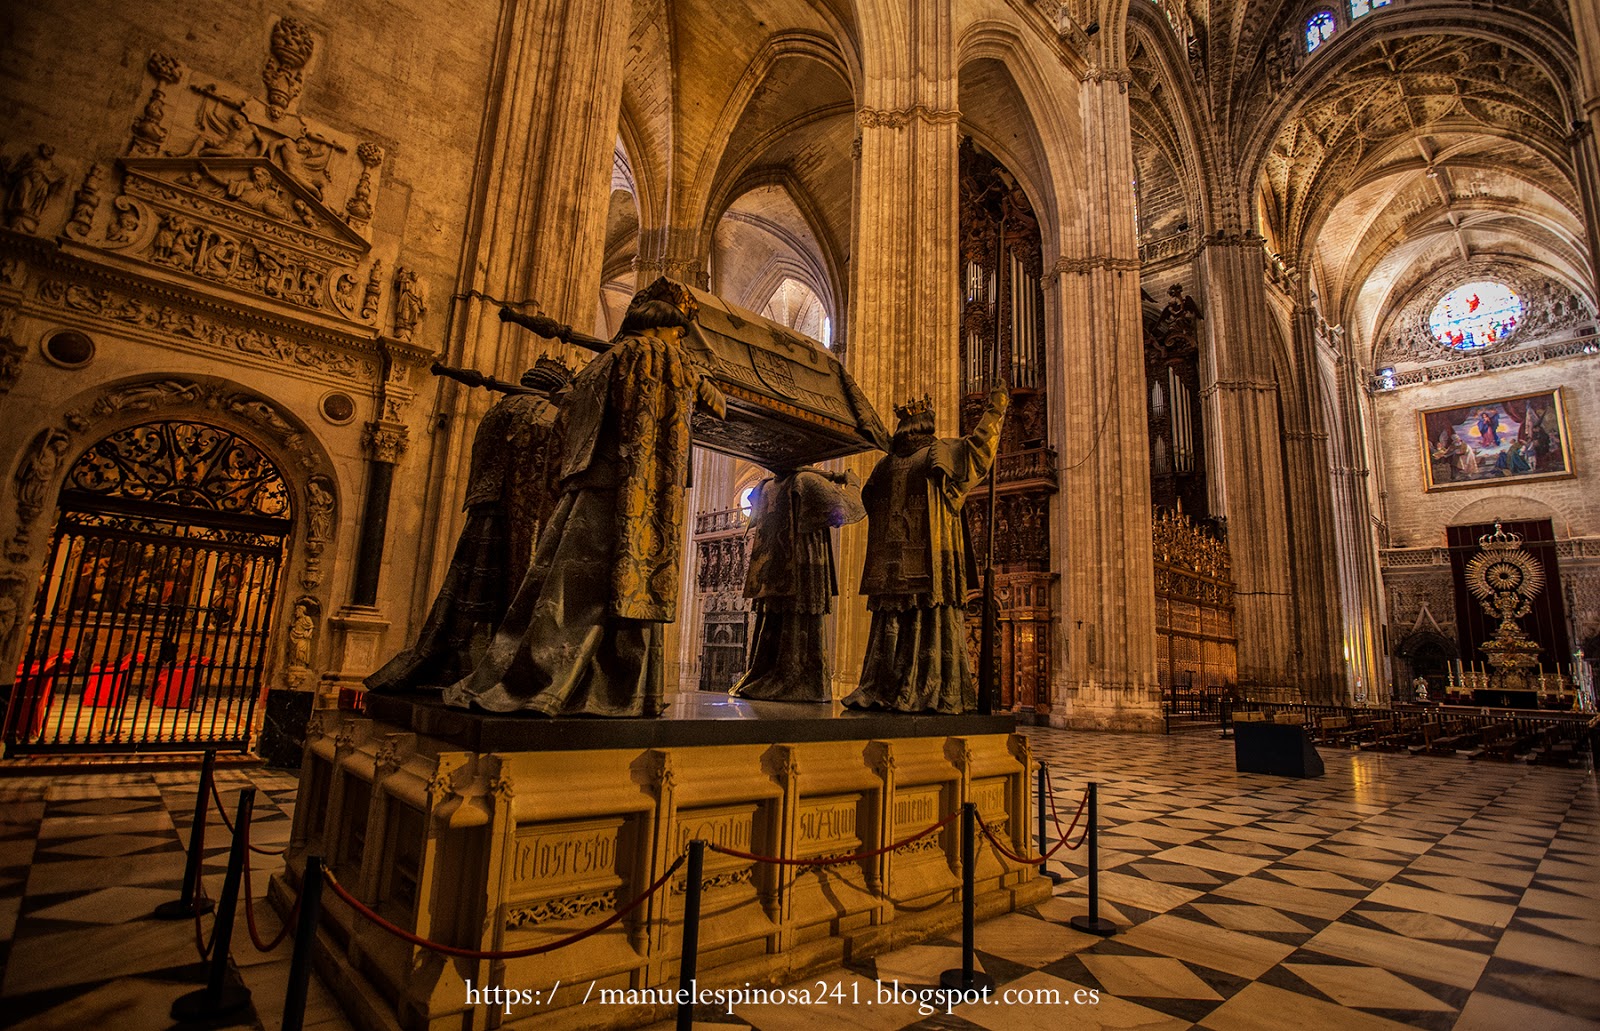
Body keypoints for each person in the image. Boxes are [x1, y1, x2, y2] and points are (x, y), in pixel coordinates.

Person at [443, 297, 725, 716]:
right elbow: (714, 405)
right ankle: (588, 687)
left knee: (562, 588)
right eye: (677, 333)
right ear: (658, 327)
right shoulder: (649, 352)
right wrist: (701, 379)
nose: (678, 343)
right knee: (604, 592)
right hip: (625, 494)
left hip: (585, 489)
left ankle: (537, 672)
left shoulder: (599, 363)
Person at [367, 358, 570, 692]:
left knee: (470, 595)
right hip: (519, 515)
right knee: (515, 591)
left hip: (484, 508)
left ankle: (463, 663)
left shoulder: (498, 409)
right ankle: (509, 671)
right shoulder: (540, 413)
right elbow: (542, 475)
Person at [844, 384, 1009, 713]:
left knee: (890, 623)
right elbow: (979, 450)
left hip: (889, 568)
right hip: (930, 562)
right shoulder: (939, 452)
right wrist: (996, 410)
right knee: (931, 619)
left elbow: (868, 501)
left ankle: (884, 686)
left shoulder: (883, 466)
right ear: (927, 425)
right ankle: (928, 687)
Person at [730, 466, 864, 702]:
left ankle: (770, 676)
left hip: (775, 569)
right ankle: (799, 682)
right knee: (803, 621)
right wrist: (853, 483)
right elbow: (844, 510)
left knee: (775, 622)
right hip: (804, 563)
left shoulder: (767, 486)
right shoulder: (806, 481)